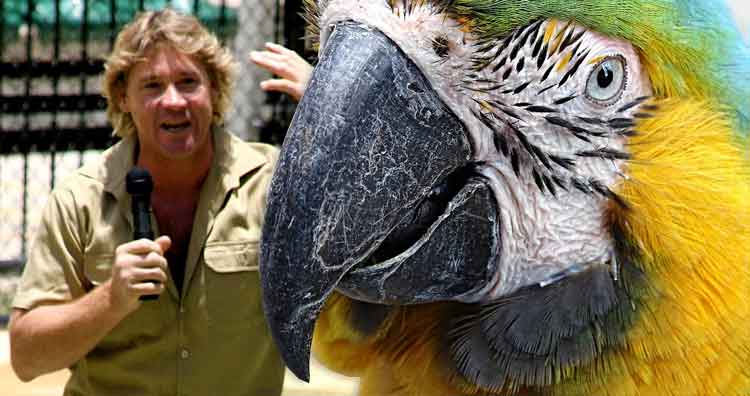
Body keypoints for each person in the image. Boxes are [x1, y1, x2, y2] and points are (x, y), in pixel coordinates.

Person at [8, 9, 311, 395]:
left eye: (188, 82)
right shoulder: (80, 199)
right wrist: (109, 300)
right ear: (123, 97)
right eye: (152, 86)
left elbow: (367, 249)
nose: (173, 101)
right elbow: (26, 358)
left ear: (215, 89)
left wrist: (331, 110)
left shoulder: (275, 183)